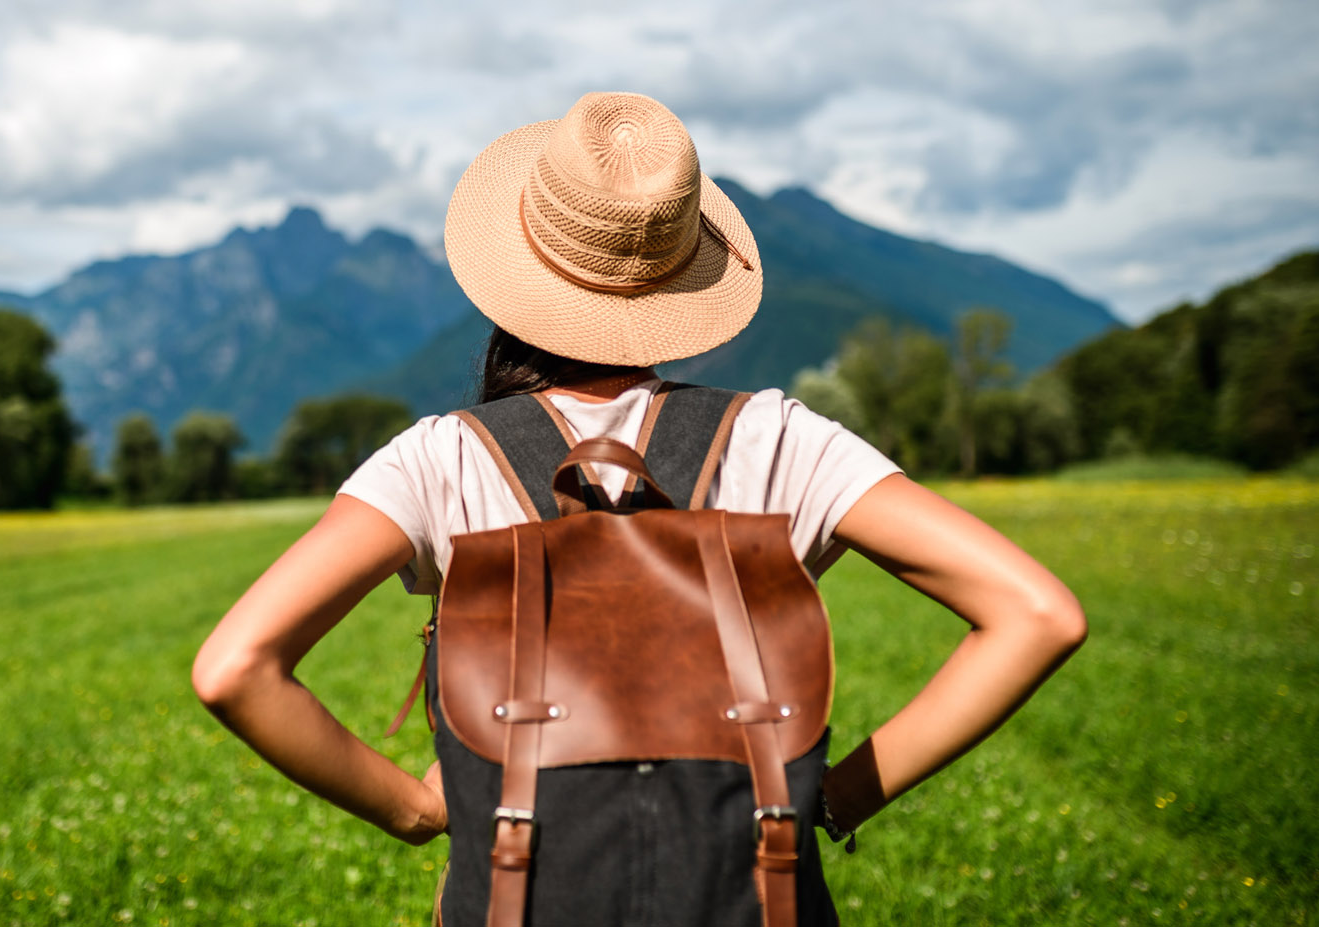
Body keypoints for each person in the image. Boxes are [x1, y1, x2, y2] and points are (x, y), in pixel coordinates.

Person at [192, 92, 1088, 921]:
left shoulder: (442, 457)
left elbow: (235, 667)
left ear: (518, 266)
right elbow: (1037, 614)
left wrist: (421, 806)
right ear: (679, 278)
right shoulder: (780, 439)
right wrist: (837, 794)